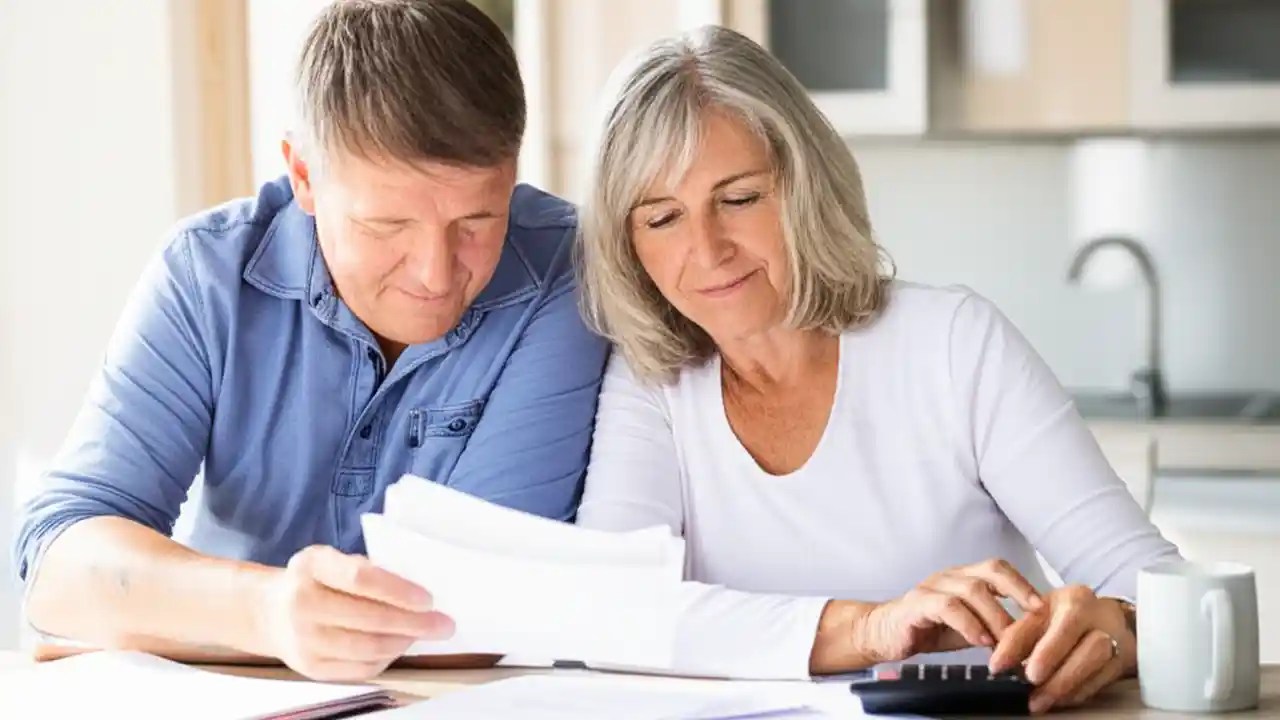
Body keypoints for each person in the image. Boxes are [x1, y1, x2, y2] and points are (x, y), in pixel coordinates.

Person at [574, 25, 1180, 713]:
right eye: (661, 219)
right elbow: (613, 615)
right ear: (627, 244)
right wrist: (869, 627)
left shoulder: (952, 345)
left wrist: (1120, 630)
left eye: (739, 199)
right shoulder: (651, 383)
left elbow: (1159, 588)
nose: (706, 249)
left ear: (805, 186)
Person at [12, 0, 607, 682]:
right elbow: (57, 564)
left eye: (477, 219)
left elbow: (477, 615)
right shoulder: (204, 274)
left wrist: (160, 623)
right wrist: (262, 612)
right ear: (302, 175)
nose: (437, 274)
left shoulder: (567, 276)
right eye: (387, 225)